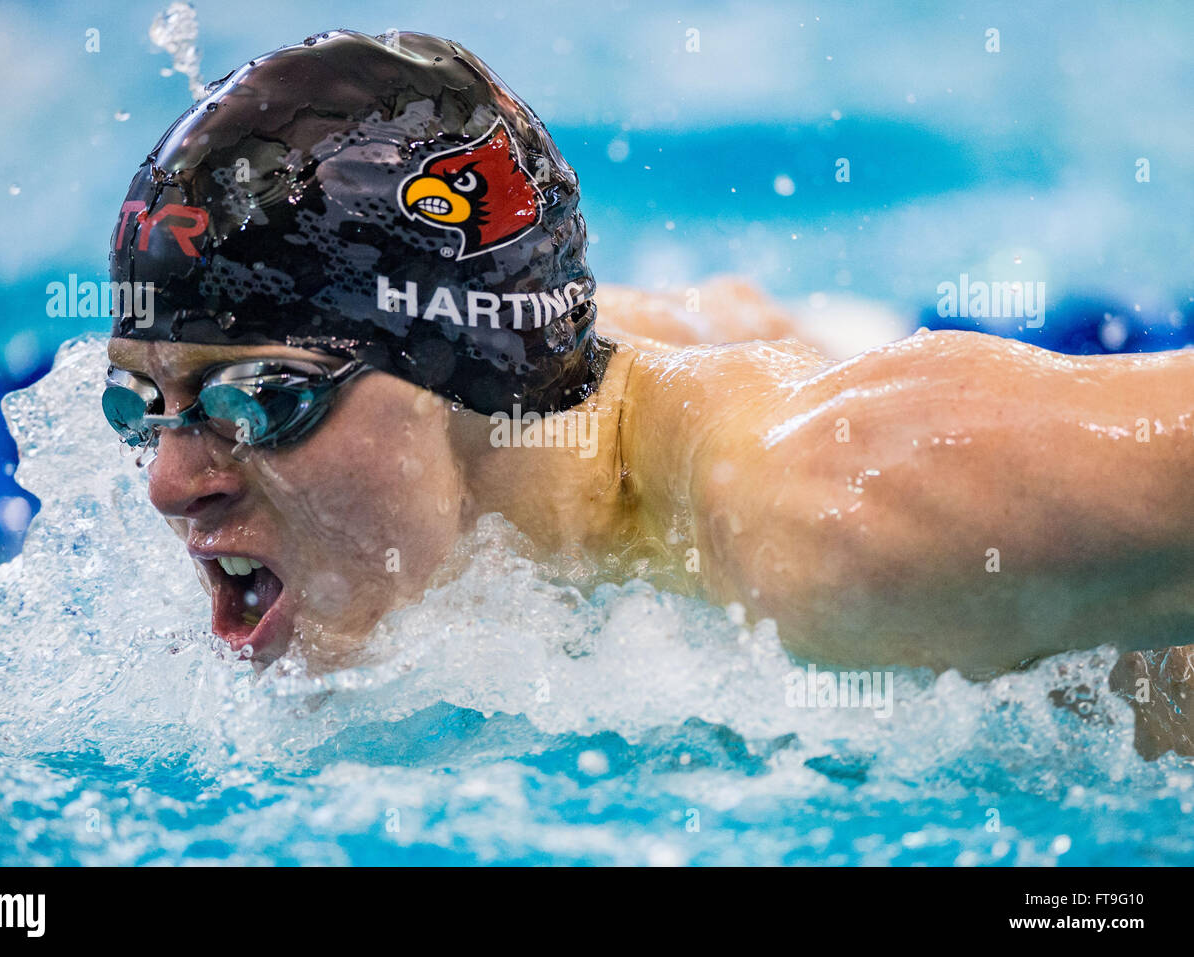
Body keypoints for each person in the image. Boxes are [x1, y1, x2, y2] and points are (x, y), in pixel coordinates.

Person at [104, 29, 1194, 755]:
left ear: (466, 376)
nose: (171, 482)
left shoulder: (833, 517)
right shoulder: (549, 424)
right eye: (140, 403)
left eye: (258, 401)